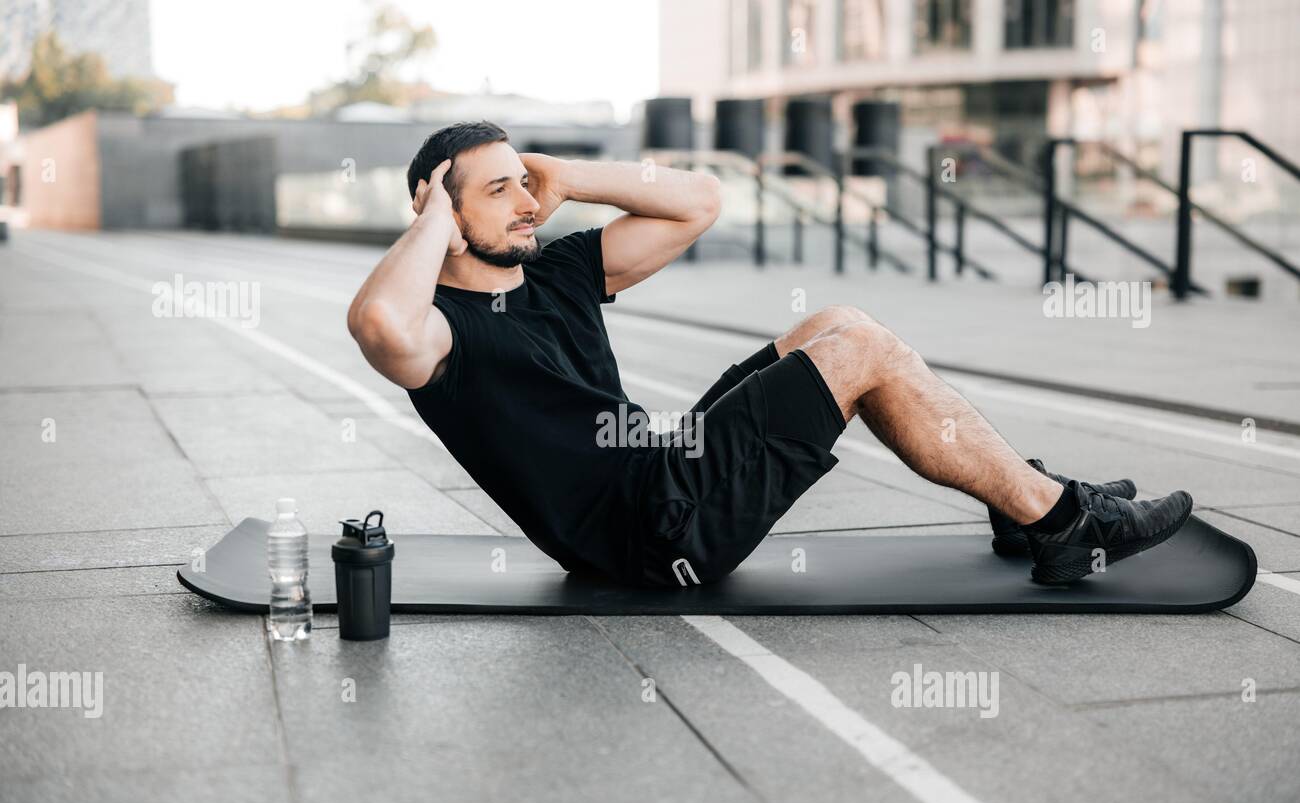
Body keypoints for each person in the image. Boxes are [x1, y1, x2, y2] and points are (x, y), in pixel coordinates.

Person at [346, 121, 1192, 588]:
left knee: (837, 321)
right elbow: (378, 324)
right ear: (444, 219)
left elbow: (698, 204)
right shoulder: (439, 334)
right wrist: (430, 219)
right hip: (648, 534)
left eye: (523, 183)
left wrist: (561, 172)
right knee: (859, 350)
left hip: (664, 463)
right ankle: (1063, 523)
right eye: (501, 192)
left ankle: (1017, 502)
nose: (528, 204)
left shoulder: (559, 271)